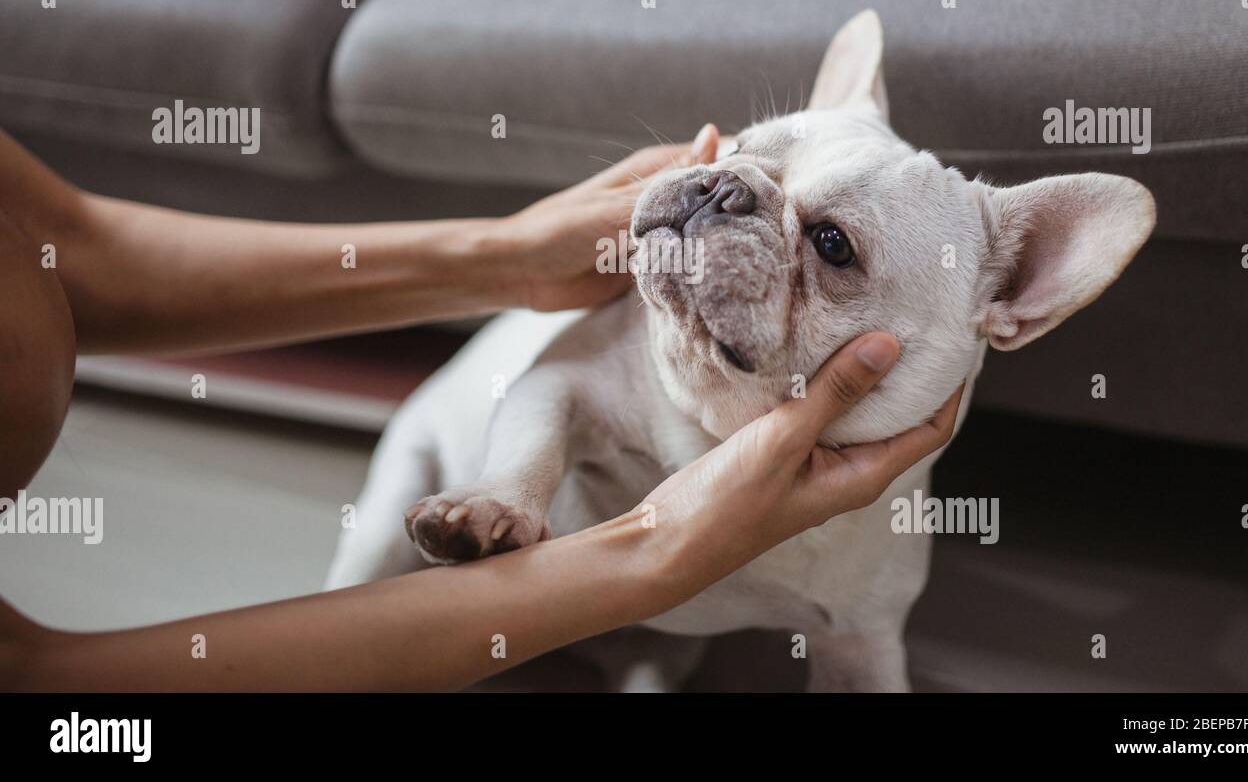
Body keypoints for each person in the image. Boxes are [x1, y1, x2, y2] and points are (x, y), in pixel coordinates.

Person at [0, 125, 961, 691]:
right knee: (383, 538)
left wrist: (503, 253)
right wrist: (650, 552)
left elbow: (67, 239)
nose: (721, 199)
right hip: (488, 507)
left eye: (830, 245)